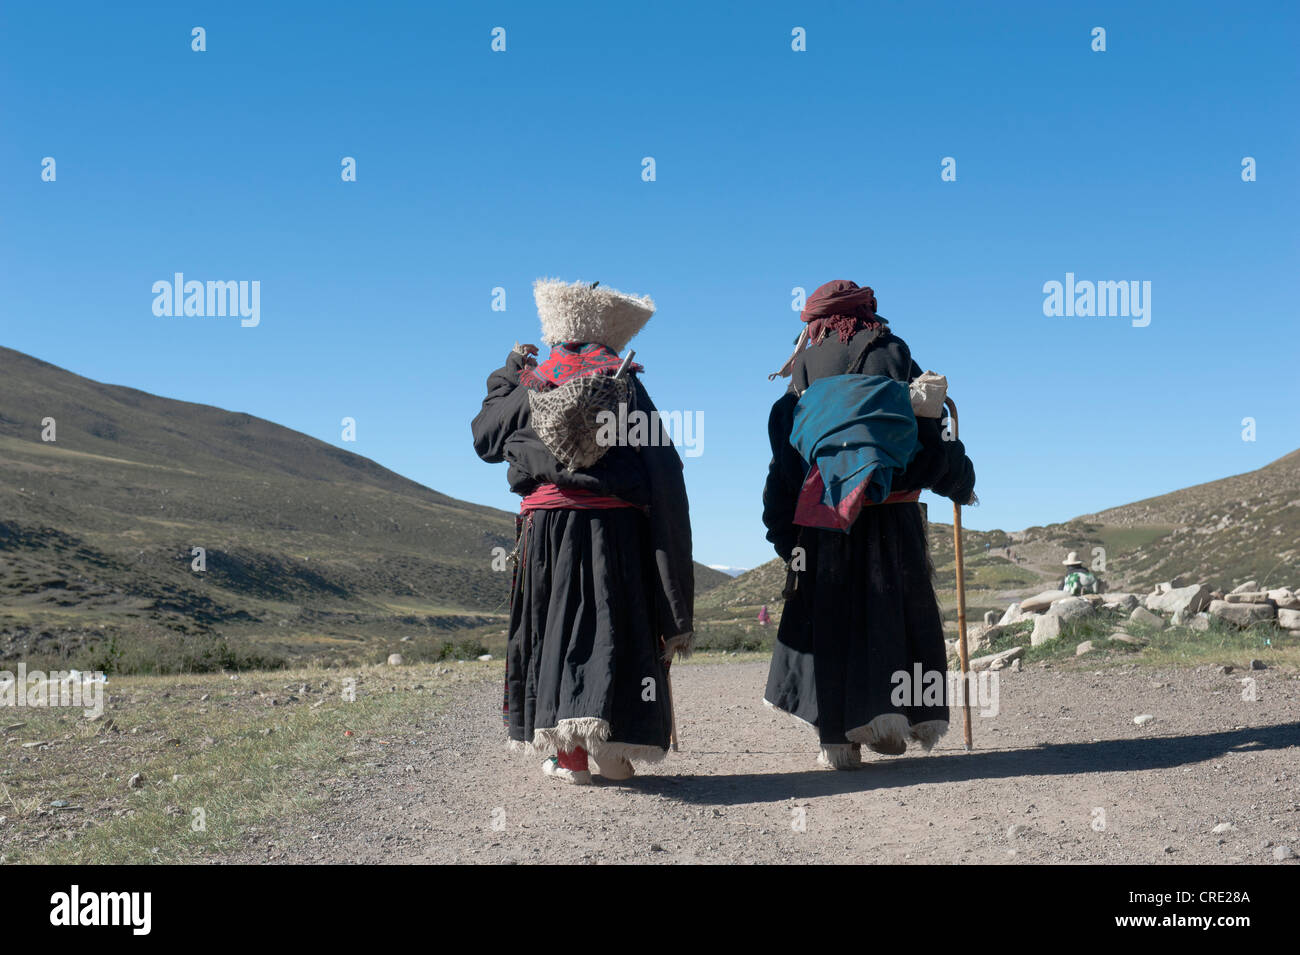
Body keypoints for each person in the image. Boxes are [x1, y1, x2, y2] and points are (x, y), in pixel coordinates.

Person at [471, 278, 694, 785]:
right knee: (612, 628)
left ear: (557, 331)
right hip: (615, 530)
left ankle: (567, 756)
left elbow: (485, 439)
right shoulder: (625, 382)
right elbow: (663, 468)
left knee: (551, 630)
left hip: (545, 529)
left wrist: (509, 372)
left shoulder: (532, 383)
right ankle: (613, 753)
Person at [762, 279, 977, 770]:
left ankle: (838, 741)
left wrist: (784, 530)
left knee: (833, 618)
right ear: (867, 312)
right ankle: (892, 721)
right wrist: (959, 478)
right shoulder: (896, 351)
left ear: (817, 321)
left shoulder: (806, 364)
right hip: (893, 516)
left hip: (826, 515)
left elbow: (787, 459)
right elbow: (931, 438)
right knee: (894, 613)